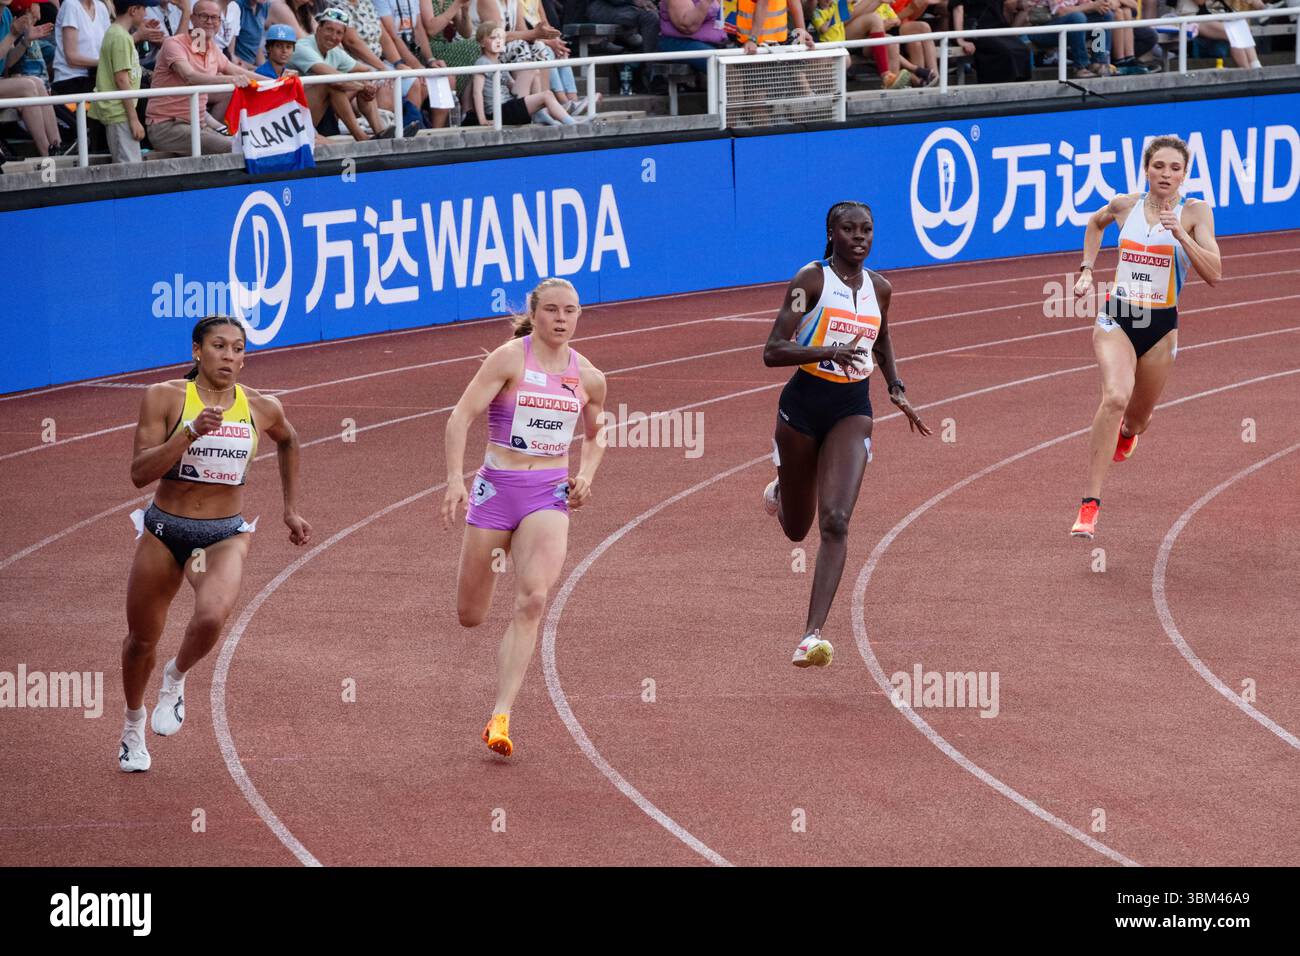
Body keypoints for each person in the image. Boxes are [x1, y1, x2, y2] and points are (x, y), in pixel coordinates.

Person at [119, 315, 311, 772]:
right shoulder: (165, 397)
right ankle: (132, 726)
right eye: (220, 346)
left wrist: (290, 508)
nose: (230, 356)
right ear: (197, 352)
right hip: (165, 530)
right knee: (141, 640)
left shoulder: (262, 407)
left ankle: (176, 677)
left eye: (238, 349)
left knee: (209, 617)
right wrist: (190, 433)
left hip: (223, 535)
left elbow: (290, 441)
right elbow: (138, 473)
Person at [442, 278, 608, 757]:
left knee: (533, 599)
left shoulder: (589, 377)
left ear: (579, 316)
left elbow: (598, 433)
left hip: (547, 495)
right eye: (552, 310)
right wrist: (456, 480)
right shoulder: (510, 358)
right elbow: (460, 417)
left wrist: (587, 474)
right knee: (470, 615)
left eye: (571, 311)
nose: (561, 319)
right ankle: (484, 582)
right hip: (496, 491)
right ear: (534, 314)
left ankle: (501, 715)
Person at [761, 201, 931, 667]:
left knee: (835, 519)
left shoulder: (881, 288)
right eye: (849, 229)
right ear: (830, 233)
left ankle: (810, 635)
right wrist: (827, 350)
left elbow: (883, 338)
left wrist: (895, 386)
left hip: (853, 408)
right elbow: (773, 350)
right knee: (798, 529)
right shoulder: (810, 281)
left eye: (867, 230)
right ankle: (786, 482)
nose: (860, 237)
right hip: (802, 407)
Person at [1070, 136, 1222, 539]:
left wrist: (1182, 236)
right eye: (1159, 167)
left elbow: (1215, 274)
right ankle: (1089, 505)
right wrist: (1087, 268)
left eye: (1174, 168)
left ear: (1184, 173)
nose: (1166, 174)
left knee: (1137, 419)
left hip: (1161, 327)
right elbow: (1094, 223)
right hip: (1118, 316)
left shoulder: (1195, 212)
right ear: (1146, 169)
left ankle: (1127, 433)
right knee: (1115, 397)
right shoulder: (1125, 205)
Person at [144, 0, 264, 153]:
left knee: (247, 142)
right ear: (192, 19)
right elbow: (190, 77)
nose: (210, 22)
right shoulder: (174, 44)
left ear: (220, 22)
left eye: (215, 18)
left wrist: (278, 81)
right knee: (235, 147)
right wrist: (231, 80)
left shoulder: (211, 47)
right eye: (204, 16)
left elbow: (236, 70)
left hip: (198, 123)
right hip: (167, 126)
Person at [289, 5, 399, 139]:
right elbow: (333, 78)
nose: (333, 36)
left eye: (339, 33)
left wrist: (368, 85)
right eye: (329, 29)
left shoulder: (334, 51)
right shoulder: (303, 47)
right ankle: (362, 138)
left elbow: (365, 70)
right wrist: (362, 85)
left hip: (323, 113)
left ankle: (380, 133)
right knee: (330, 84)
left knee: (361, 80)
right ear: (318, 29)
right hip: (293, 117)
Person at [465, 19, 577, 124]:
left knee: (533, 70)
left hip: (508, 105)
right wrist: (482, 120)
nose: (498, 41)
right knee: (547, 95)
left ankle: (538, 112)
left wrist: (529, 90)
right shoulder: (482, 62)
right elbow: (477, 93)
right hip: (498, 111)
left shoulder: (499, 62)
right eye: (492, 38)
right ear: (482, 43)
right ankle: (573, 125)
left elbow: (512, 86)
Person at [89, 0, 154, 163]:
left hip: (120, 112)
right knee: (129, 168)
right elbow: (121, 79)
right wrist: (133, 119)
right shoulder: (120, 37)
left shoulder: (118, 34)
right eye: (143, 9)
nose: (145, 13)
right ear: (133, 10)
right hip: (120, 113)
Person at [0, 0, 62, 156]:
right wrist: (13, 34)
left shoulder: (6, 14)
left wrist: (26, 41)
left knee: (37, 83)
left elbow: (7, 61)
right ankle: (46, 154)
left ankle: (56, 146)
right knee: (27, 86)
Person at [950, 0, 1031, 82]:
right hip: (975, 29)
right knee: (1004, 51)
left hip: (998, 27)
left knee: (1023, 50)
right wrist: (960, 39)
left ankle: (1017, 87)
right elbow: (958, 9)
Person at [660, 0, 727, 73]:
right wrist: (706, 2)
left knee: (738, 59)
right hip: (681, 42)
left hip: (718, 42)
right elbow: (687, 27)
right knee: (724, 66)